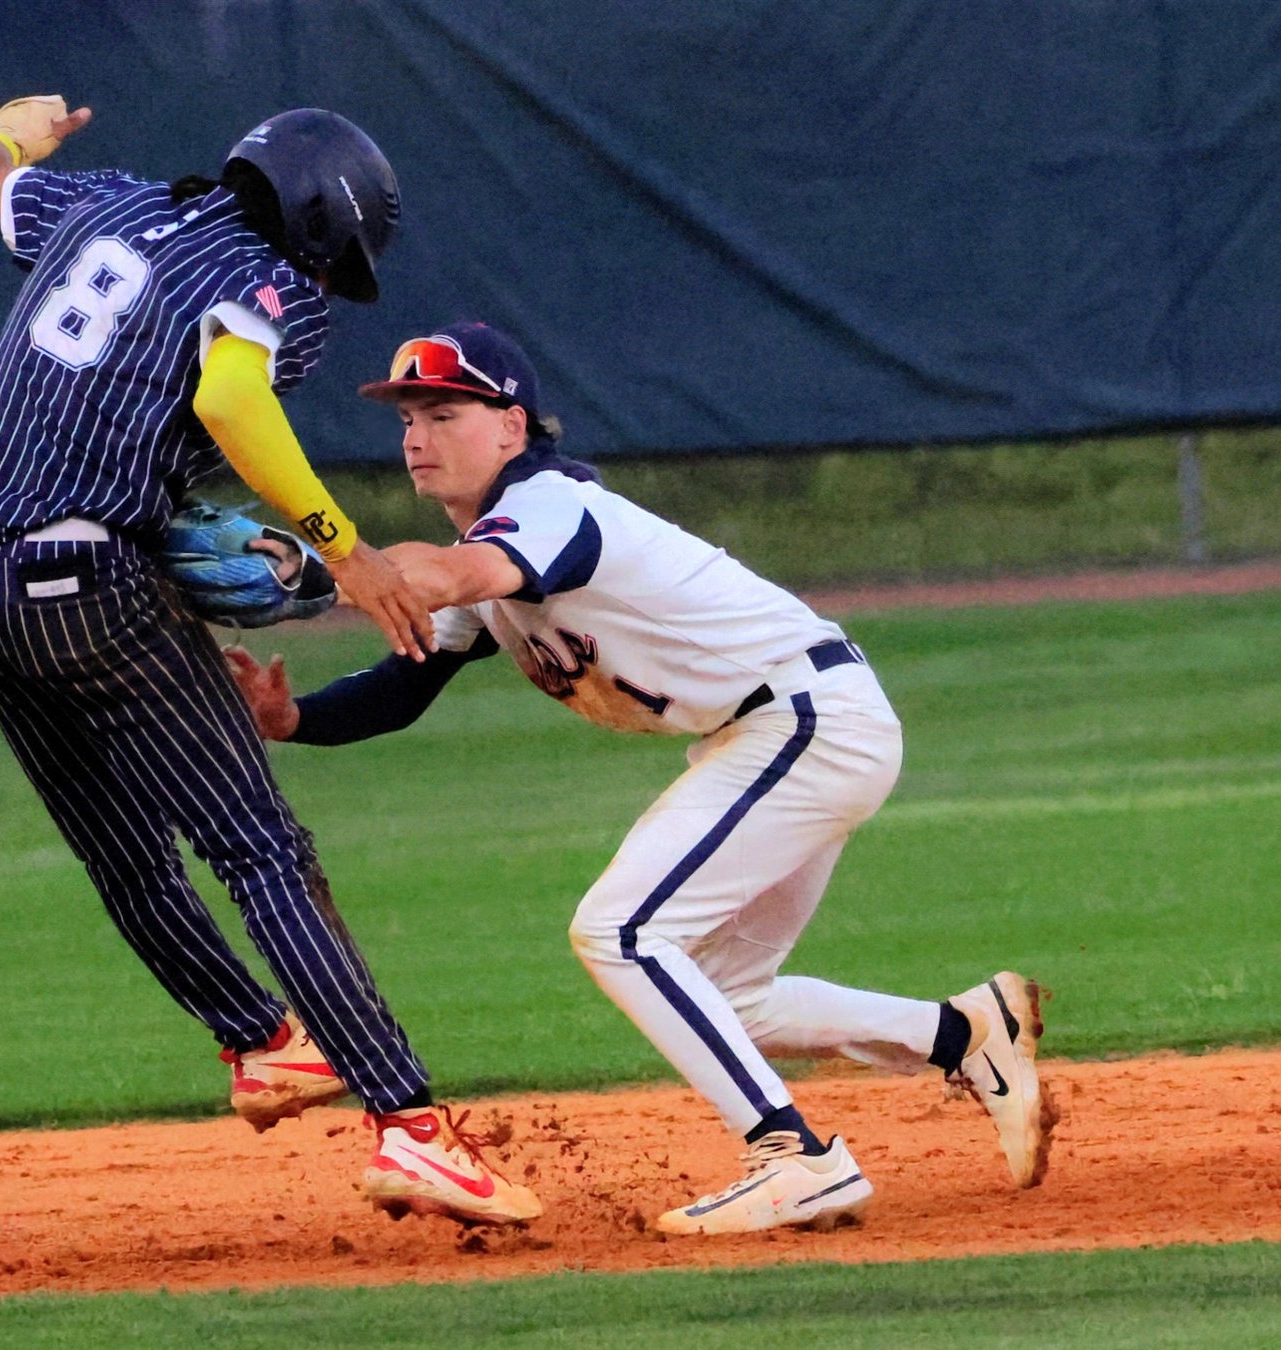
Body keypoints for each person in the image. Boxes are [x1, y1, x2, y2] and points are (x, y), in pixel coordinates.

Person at [225, 321, 1056, 1235]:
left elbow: (444, 576)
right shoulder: (495, 541)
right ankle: (965, 1035)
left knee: (621, 931)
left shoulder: (547, 506)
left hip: (806, 722)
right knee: (728, 993)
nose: (418, 436)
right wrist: (292, 719)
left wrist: (321, 567)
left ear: (510, 424)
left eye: (444, 411)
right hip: (780, 731)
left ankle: (795, 1159)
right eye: (408, 417)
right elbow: (401, 687)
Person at [0, 97, 538, 1226]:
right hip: (81, 578)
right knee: (262, 848)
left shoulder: (110, 202)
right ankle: (408, 1129)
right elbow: (228, 394)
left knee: (128, 856)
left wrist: (15, 133)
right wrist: (345, 554)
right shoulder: (278, 278)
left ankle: (261, 1042)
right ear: (320, 221)